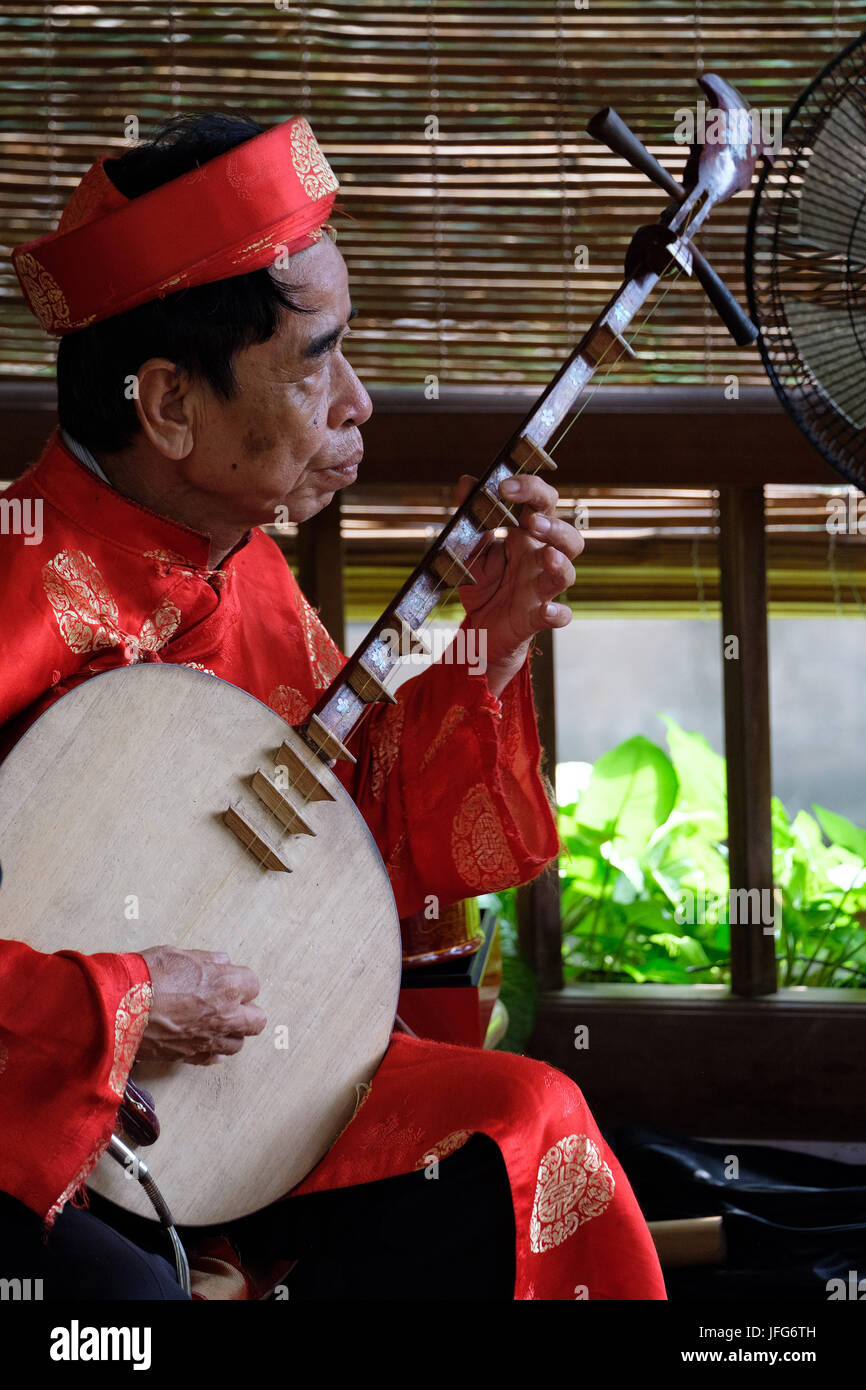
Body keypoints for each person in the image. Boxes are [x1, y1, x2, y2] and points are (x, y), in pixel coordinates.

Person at [0, 110, 665, 1301]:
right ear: (166, 405)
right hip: (32, 1119)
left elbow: (345, 857)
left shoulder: (238, 562)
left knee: (517, 1132)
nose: (358, 401)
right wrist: (118, 1000)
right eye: (317, 360)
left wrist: (486, 648)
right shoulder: (17, 586)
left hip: (244, 1086)